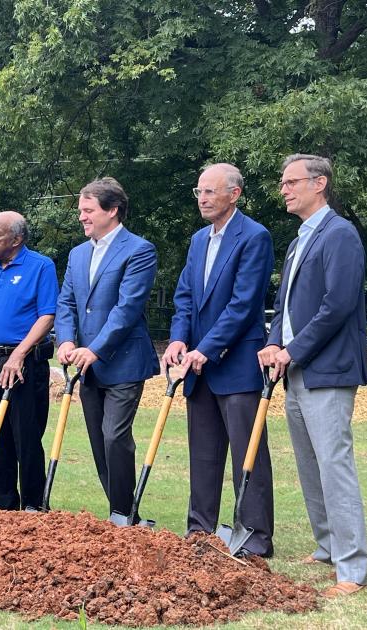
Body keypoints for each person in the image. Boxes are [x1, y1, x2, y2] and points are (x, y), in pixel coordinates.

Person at [258, 154, 367, 596]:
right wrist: (273, 341)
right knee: (309, 464)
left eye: (291, 181)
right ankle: (326, 548)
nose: (284, 189)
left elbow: (337, 305)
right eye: (283, 182)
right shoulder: (300, 238)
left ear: (319, 183)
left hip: (326, 369)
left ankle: (352, 569)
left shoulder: (340, 234)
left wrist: (293, 350)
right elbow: (285, 305)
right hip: (296, 368)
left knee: (334, 465)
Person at [161, 164, 275, 557]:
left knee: (249, 454)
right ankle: (200, 530)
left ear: (235, 194)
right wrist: (178, 339)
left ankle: (256, 536)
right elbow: (185, 298)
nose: (203, 198)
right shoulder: (197, 241)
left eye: (211, 191)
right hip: (197, 368)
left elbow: (243, 305)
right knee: (203, 454)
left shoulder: (254, 237)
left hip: (237, 364)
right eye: (199, 192)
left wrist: (203, 349)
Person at [55, 178, 159, 518]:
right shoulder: (78, 253)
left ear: (112, 210)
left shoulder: (138, 250)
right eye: (81, 211)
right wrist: (67, 339)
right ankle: (121, 513)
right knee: (99, 443)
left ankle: (124, 515)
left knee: (115, 436)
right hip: (88, 367)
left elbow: (126, 309)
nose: (82, 217)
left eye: (88, 211)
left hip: (124, 362)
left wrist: (95, 349)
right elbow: (67, 302)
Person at [0, 211, 58, 511]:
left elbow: (47, 315)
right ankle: (3, 509)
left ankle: (34, 507)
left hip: (25, 361)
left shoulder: (40, 266)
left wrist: (19, 354)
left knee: (27, 436)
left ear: (17, 238)